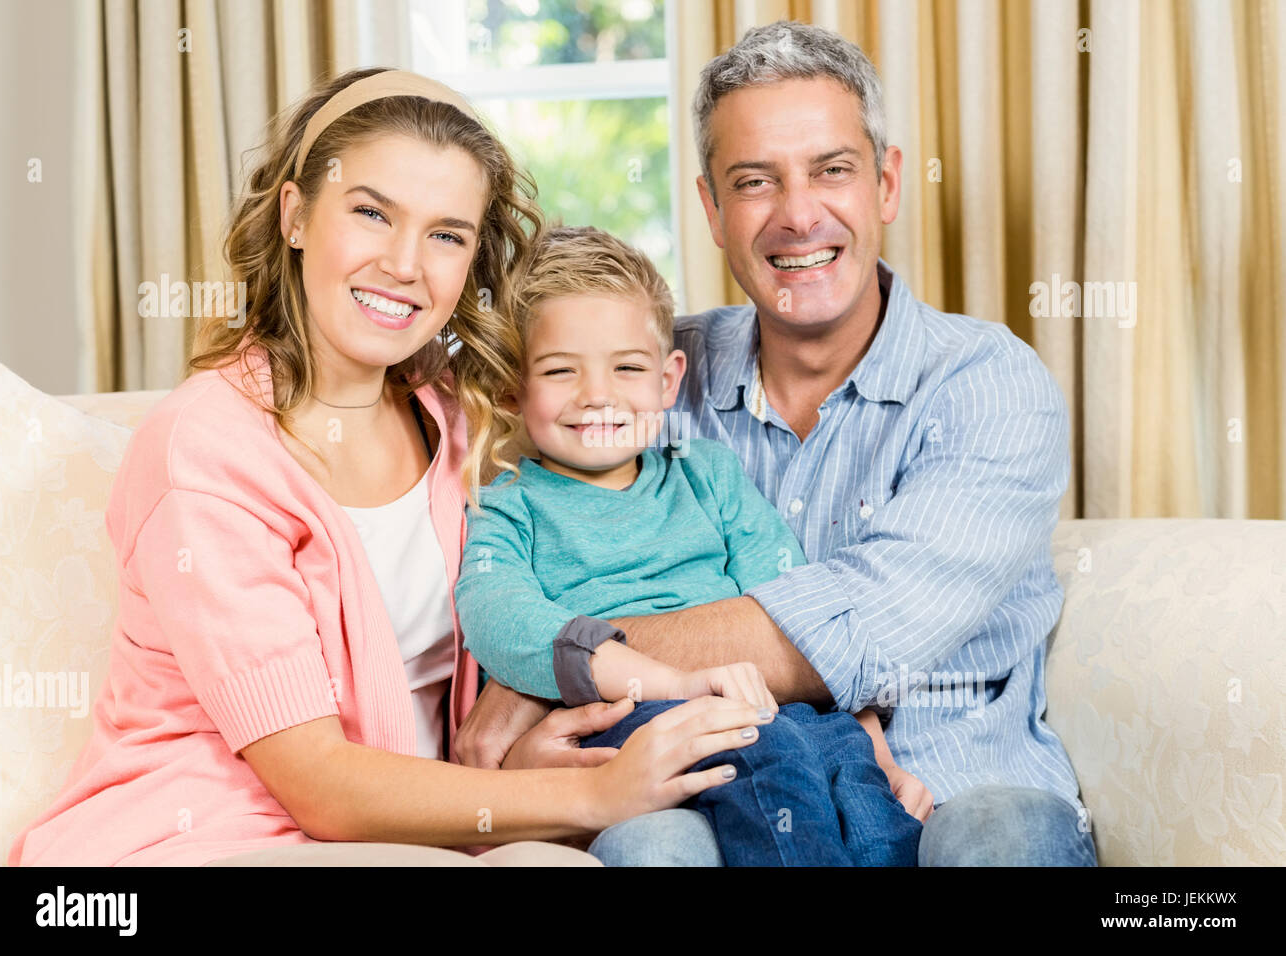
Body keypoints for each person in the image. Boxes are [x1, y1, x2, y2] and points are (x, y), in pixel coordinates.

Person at [7, 68, 770, 867]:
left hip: (410, 832)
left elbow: (546, 580)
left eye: (447, 234)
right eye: (372, 212)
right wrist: (591, 793)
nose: (406, 265)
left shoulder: (454, 417)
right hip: (204, 839)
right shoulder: (205, 450)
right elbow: (322, 787)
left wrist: (524, 741)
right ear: (296, 216)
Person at [453, 23, 1098, 867]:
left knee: (1009, 842)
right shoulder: (640, 378)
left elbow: (843, 630)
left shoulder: (987, 386)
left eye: (832, 170)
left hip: (954, 790)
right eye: (754, 182)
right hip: (711, 789)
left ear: (886, 183)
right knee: (652, 850)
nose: (798, 216)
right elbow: (467, 383)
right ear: (713, 211)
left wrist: (552, 666)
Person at [452, 225, 930, 866]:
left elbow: (790, 592)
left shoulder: (707, 471)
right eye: (562, 371)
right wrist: (672, 680)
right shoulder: (508, 502)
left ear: (668, 380)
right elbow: (500, 618)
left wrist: (865, 732)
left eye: (627, 368)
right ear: (515, 388)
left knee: (853, 772)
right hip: (626, 716)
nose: (598, 395)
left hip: (761, 700)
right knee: (768, 752)